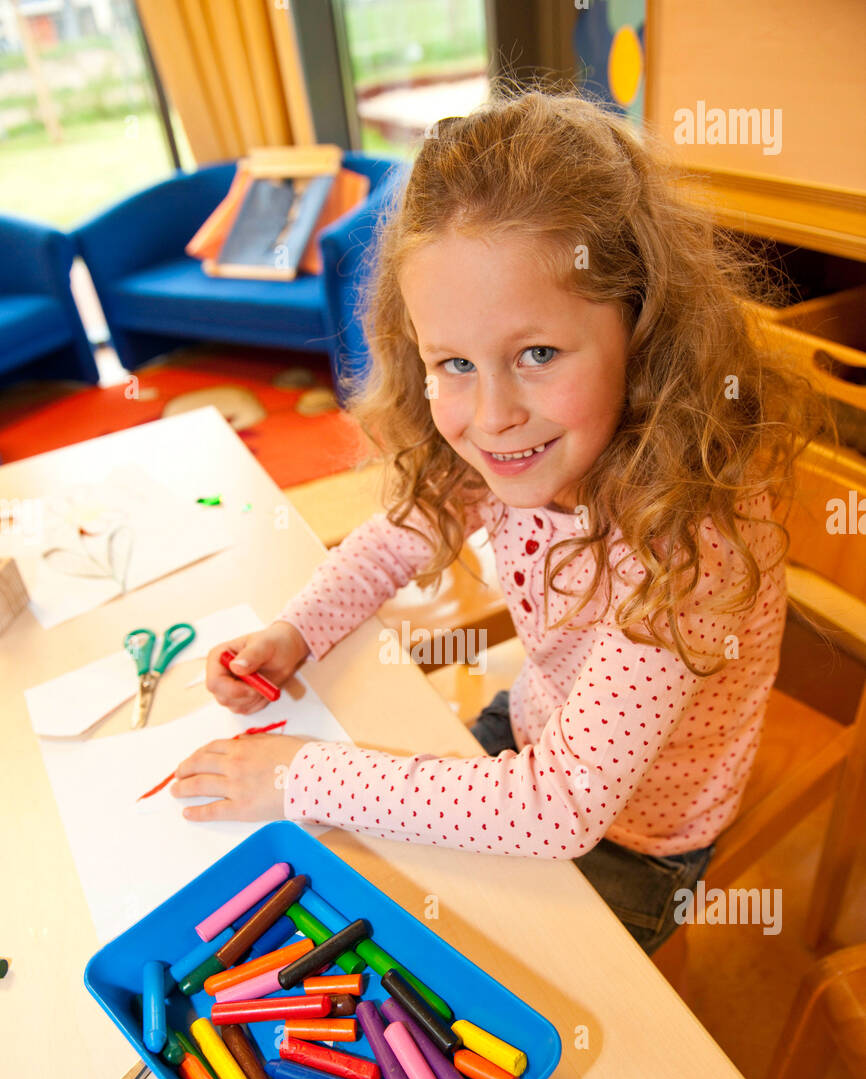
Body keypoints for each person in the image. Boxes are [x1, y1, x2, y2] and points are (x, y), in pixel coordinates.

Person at [172, 85, 829, 956]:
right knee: (365, 902)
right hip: (534, 727)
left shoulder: (690, 539)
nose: (491, 415)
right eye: (452, 362)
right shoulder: (517, 441)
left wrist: (300, 774)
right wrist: (298, 630)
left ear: (644, 328)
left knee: (464, 978)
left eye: (539, 353)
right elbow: (392, 540)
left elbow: (556, 810)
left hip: (639, 832)